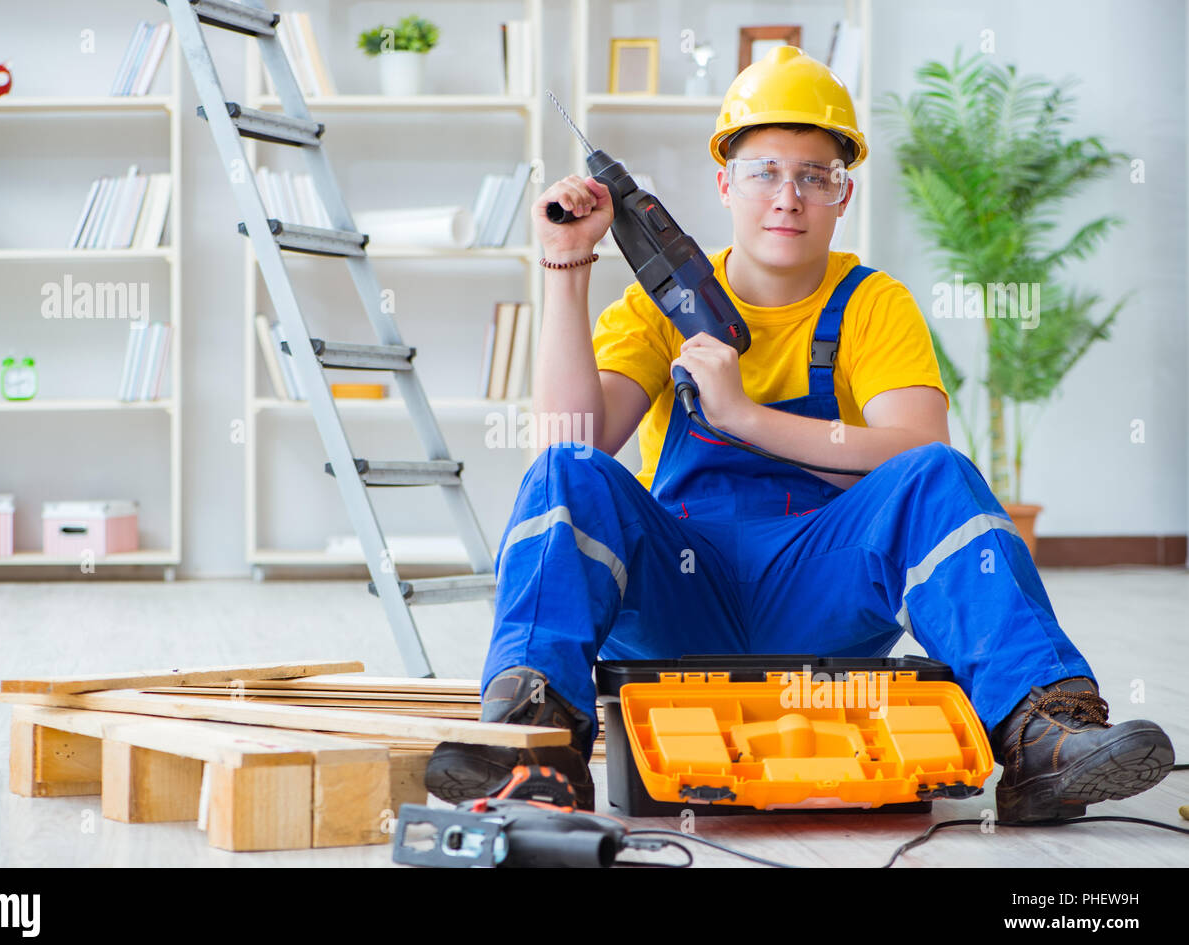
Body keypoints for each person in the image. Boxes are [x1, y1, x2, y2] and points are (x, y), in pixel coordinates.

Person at [426, 46, 1174, 823]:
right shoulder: (657, 307)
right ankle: (533, 746)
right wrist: (566, 265)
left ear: (843, 194)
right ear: (724, 183)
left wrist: (744, 416)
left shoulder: (871, 304)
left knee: (937, 477)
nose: (789, 197)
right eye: (766, 172)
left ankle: (1043, 735)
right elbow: (569, 438)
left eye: (816, 176)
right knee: (564, 474)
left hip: (822, 594)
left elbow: (918, 449)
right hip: (683, 590)